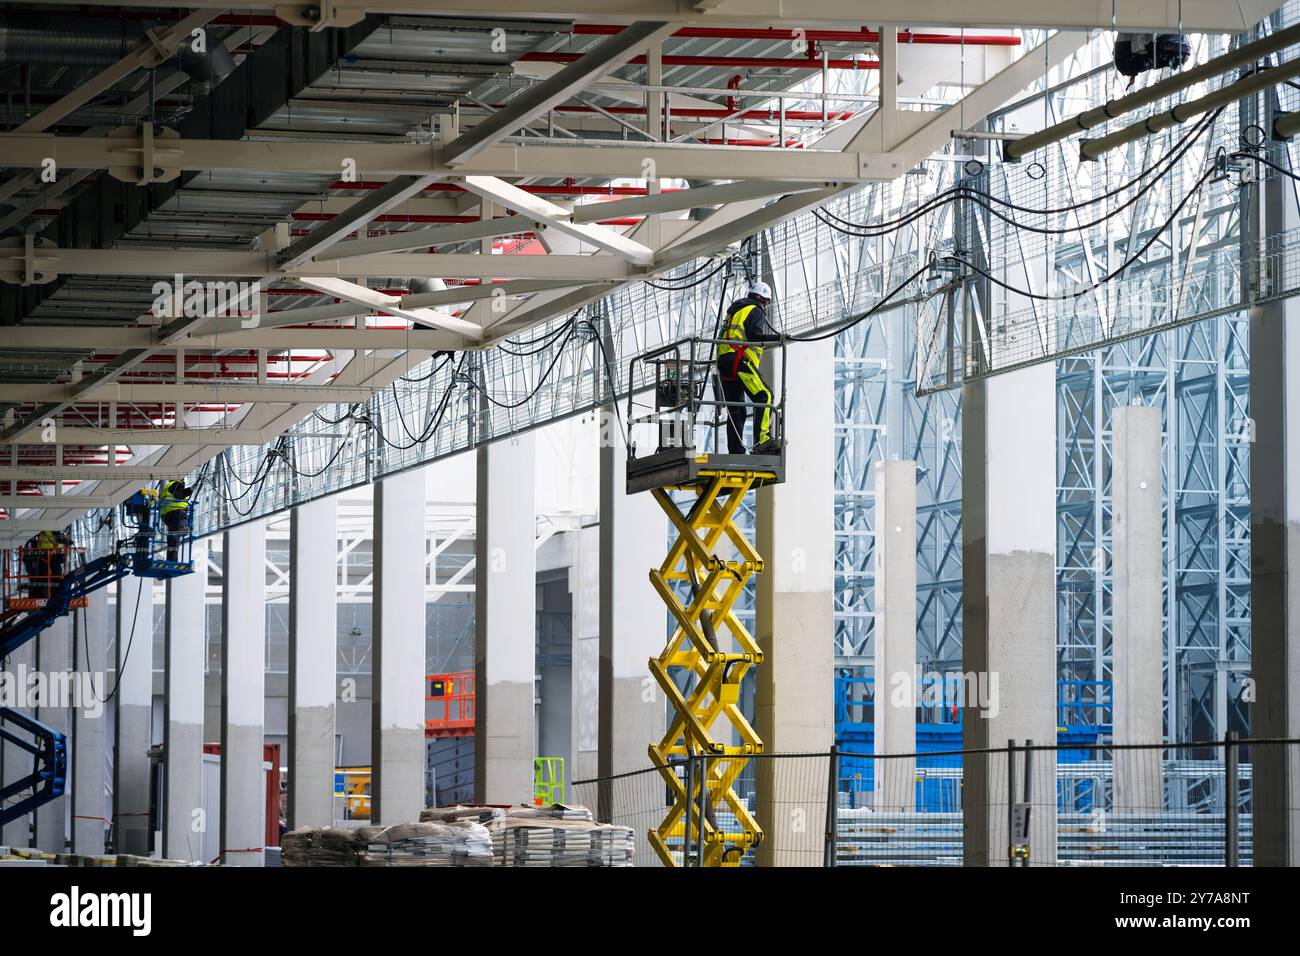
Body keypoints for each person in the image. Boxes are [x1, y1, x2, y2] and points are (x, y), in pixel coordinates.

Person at [715, 280, 784, 455]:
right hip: (738, 360)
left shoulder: (735, 312)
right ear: (765, 301)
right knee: (764, 395)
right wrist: (779, 338)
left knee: (736, 410)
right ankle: (762, 441)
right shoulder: (756, 310)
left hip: (724, 363)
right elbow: (755, 336)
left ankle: (736, 452)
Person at [158, 478, 192, 562]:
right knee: (183, 516)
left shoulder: (166, 488)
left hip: (166, 516)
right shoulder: (177, 483)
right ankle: (182, 527)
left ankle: (171, 560)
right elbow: (179, 495)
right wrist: (190, 490)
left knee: (173, 538)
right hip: (176, 512)